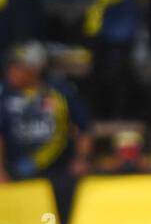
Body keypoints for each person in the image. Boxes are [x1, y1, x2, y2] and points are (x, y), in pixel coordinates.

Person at [0, 42, 91, 184]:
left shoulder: (62, 91)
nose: (10, 72)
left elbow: (84, 128)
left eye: (17, 67)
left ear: (34, 69)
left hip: (59, 174)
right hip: (16, 174)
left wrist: (81, 160)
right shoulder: (4, 94)